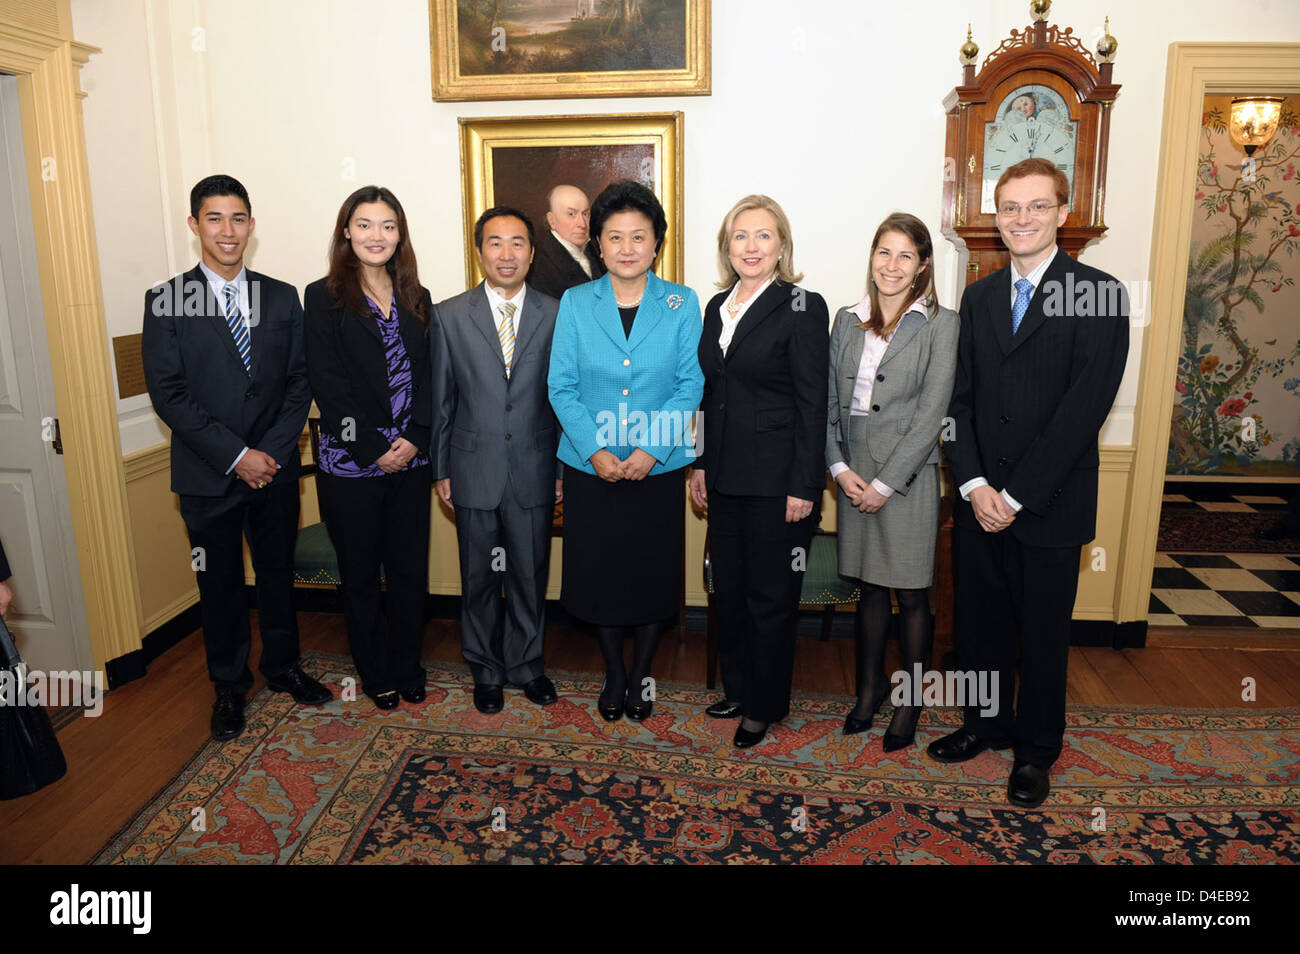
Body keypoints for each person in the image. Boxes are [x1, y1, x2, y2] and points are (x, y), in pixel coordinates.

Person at [929, 157, 1129, 808]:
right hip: (981, 500)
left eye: (1037, 206)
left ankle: (1036, 752)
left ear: (1063, 214)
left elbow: (1082, 412)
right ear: (997, 215)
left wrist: (1015, 497)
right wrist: (976, 484)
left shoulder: (1099, 294)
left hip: (1049, 506)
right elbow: (960, 402)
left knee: (1042, 637)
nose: (1022, 219)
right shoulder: (981, 295)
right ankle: (983, 727)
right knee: (981, 628)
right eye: (1010, 207)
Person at [142, 174, 331, 742]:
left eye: (239, 218)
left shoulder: (280, 295)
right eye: (215, 219)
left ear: (252, 225)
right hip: (207, 477)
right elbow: (168, 394)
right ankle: (228, 687)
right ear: (195, 224)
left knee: (277, 574)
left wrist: (267, 454)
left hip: (273, 472)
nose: (228, 231)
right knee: (218, 584)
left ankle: (283, 667)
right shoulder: (167, 299)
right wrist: (237, 456)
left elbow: (299, 384)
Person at [548, 180, 703, 723]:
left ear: (656, 244)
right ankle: (615, 673)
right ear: (599, 244)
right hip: (592, 468)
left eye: (640, 236)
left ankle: (644, 676)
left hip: (656, 470)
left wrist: (651, 450)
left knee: (649, 574)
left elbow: (690, 385)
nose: (628, 247)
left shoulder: (683, 303)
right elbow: (560, 386)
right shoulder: (575, 302)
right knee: (601, 575)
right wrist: (594, 452)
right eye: (615, 237)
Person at [690, 195, 828, 749]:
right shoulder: (715, 306)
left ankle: (765, 706)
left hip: (777, 483)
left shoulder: (802, 305)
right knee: (733, 591)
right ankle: (740, 687)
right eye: (740, 236)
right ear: (728, 246)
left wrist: (804, 485)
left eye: (763, 235)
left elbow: (812, 402)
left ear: (782, 245)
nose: (751, 246)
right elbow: (709, 393)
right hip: (723, 477)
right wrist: (700, 463)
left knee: (771, 598)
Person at [825, 213, 959, 751]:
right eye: (885, 252)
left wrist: (886, 483)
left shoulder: (942, 324)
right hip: (852, 472)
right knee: (870, 588)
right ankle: (868, 690)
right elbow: (828, 405)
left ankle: (909, 702)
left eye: (906, 255)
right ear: (872, 257)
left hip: (907, 477)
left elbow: (932, 414)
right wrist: (839, 468)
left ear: (923, 265)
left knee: (911, 592)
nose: (893, 265)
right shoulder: (845, 318)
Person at [303, 186, 433, 712]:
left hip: (413, 458)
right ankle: (374, 671)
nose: (375, 235)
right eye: (364, 224)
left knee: (408, 572)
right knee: (360, 574)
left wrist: (414, 438)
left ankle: (408, 666)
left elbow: (431, 377)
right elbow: (329, 386)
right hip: (351, 463)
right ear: (346, 232)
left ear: (399, 234)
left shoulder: (418, 296)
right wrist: (376, 447)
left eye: (386, 225)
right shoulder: (322, 296)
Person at [430, 207, 561, 714]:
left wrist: (559, 470)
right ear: (480, 250)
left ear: (532, 251)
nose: (506, 254)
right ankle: (485, 669)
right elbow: (442, 401)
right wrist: (441, 469)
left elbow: (560, 398)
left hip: (534, 467)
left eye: (517, 244)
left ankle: (528, 666)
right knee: (479, 578)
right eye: (495, 243)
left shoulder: (557, 312)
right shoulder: (448, 315)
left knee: (529, 575)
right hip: (471, 469)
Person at [528, 184, 606, 300]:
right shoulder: (542, 267)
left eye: (585, 214)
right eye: (571, 214)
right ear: (552, 220)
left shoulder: (593, 248)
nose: (582, 224)